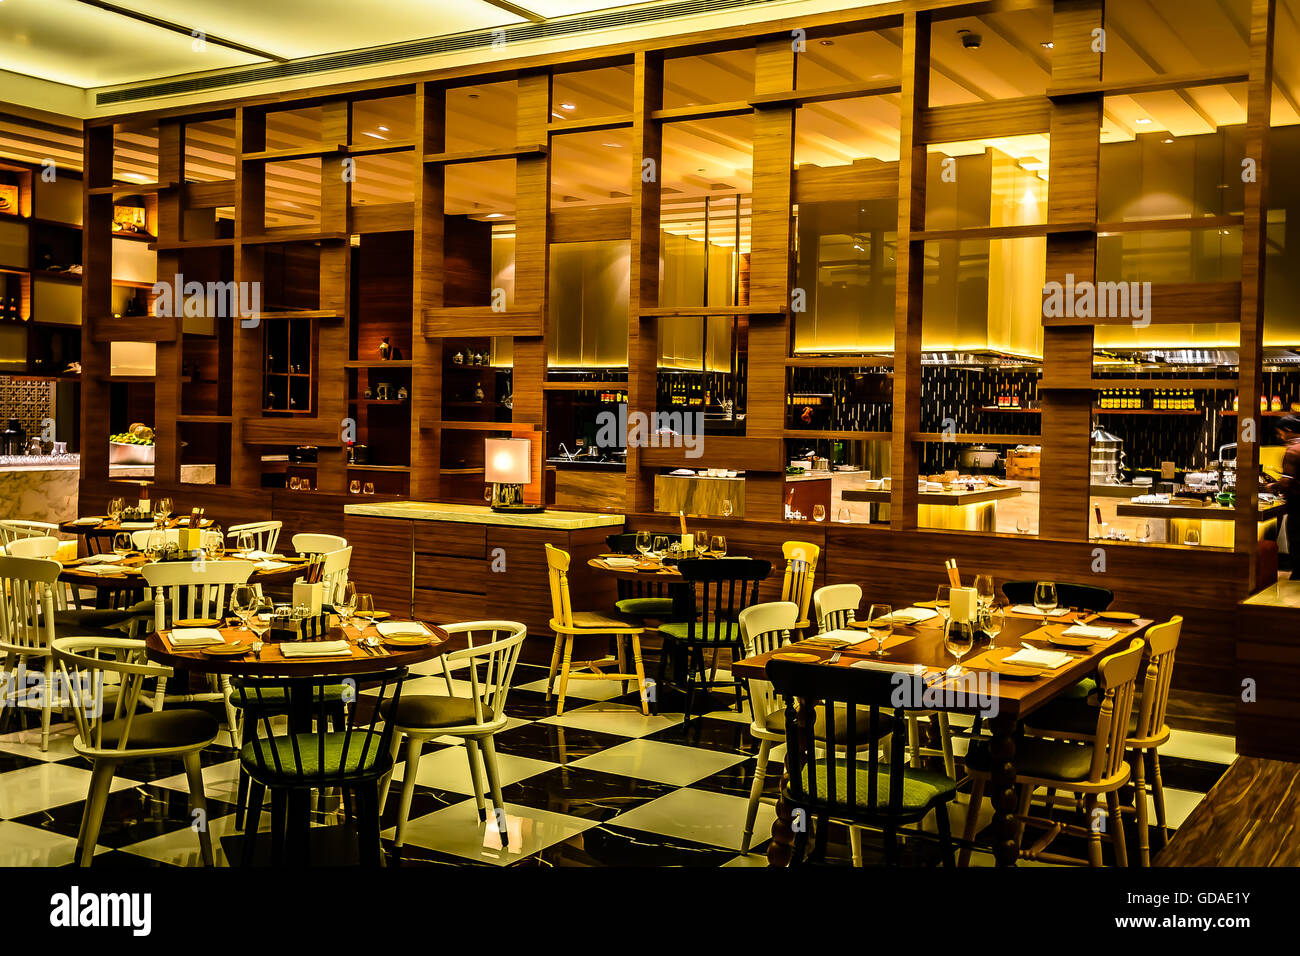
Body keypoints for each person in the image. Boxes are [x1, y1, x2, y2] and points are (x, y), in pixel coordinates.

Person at [1265, 413, 1300, 568]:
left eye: (1280, 432)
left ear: (1287, 429)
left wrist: (1270, 486)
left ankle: (1296, 581)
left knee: (1297, 546)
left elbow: (1286, 482)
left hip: (1298, 508)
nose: (1280, 436)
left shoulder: (1293, 450)